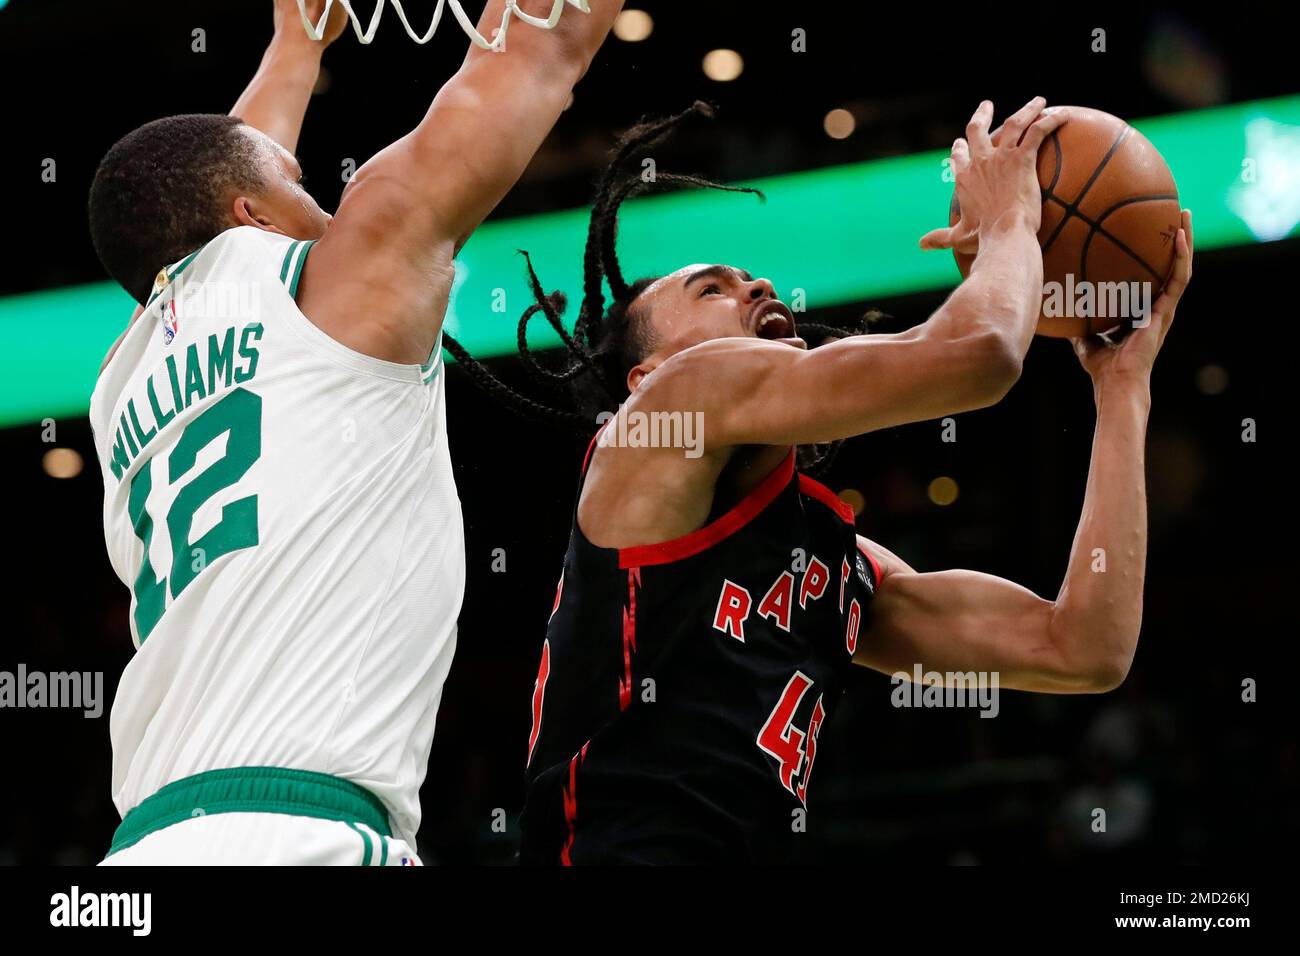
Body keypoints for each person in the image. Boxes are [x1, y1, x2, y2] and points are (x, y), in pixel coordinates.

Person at [446, 99, 1193, 863]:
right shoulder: (669, 407)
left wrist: (1122, 389)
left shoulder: (832, 566)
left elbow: (1083, 649)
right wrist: (1010, 220)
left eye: (748, 277)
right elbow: (981, 355)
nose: (757, 285)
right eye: (712, 289)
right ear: (647, 376)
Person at [87, 0, 623, 865]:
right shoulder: (353, 262)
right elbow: (539, 46)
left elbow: (218, 174)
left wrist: (296, 40)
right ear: (255, 214)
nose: (325, 208)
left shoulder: (122, 377)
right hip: (305, 833)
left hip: (142, 852)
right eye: (300, 186)